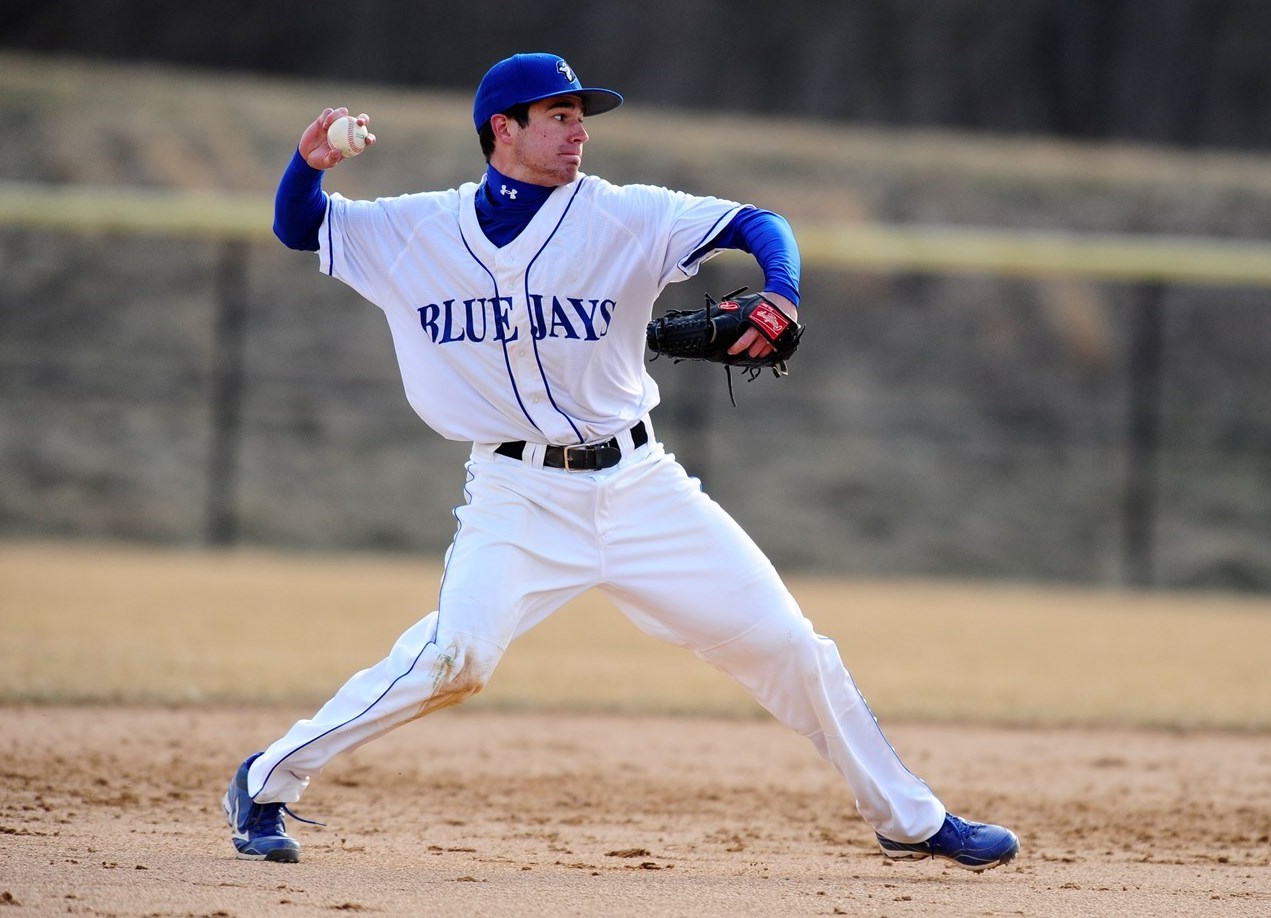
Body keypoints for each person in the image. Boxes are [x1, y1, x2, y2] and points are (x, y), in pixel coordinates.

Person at [224, 52, 1020, 872]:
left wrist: (780, 288)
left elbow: (758, 221)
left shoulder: (625, 215)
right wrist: (306, 166)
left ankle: (909, 819)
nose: (578, 132)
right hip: (517, 493)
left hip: (644, 488)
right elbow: (301, 226)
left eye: (581, 116)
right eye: (558, 115)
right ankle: (267, 780)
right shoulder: (415, 230)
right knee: (451, 659)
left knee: (791, 648)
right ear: (503, 129)